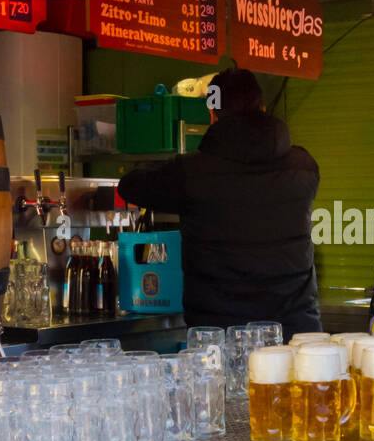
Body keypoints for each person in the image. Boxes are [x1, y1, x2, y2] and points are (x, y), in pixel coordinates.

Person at [118, 68, 321, 338]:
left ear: (212, 113)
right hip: (296, 334)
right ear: (261, 107)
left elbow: (130, 186)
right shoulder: (304, 166)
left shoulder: (191, 173)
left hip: (223, 339)